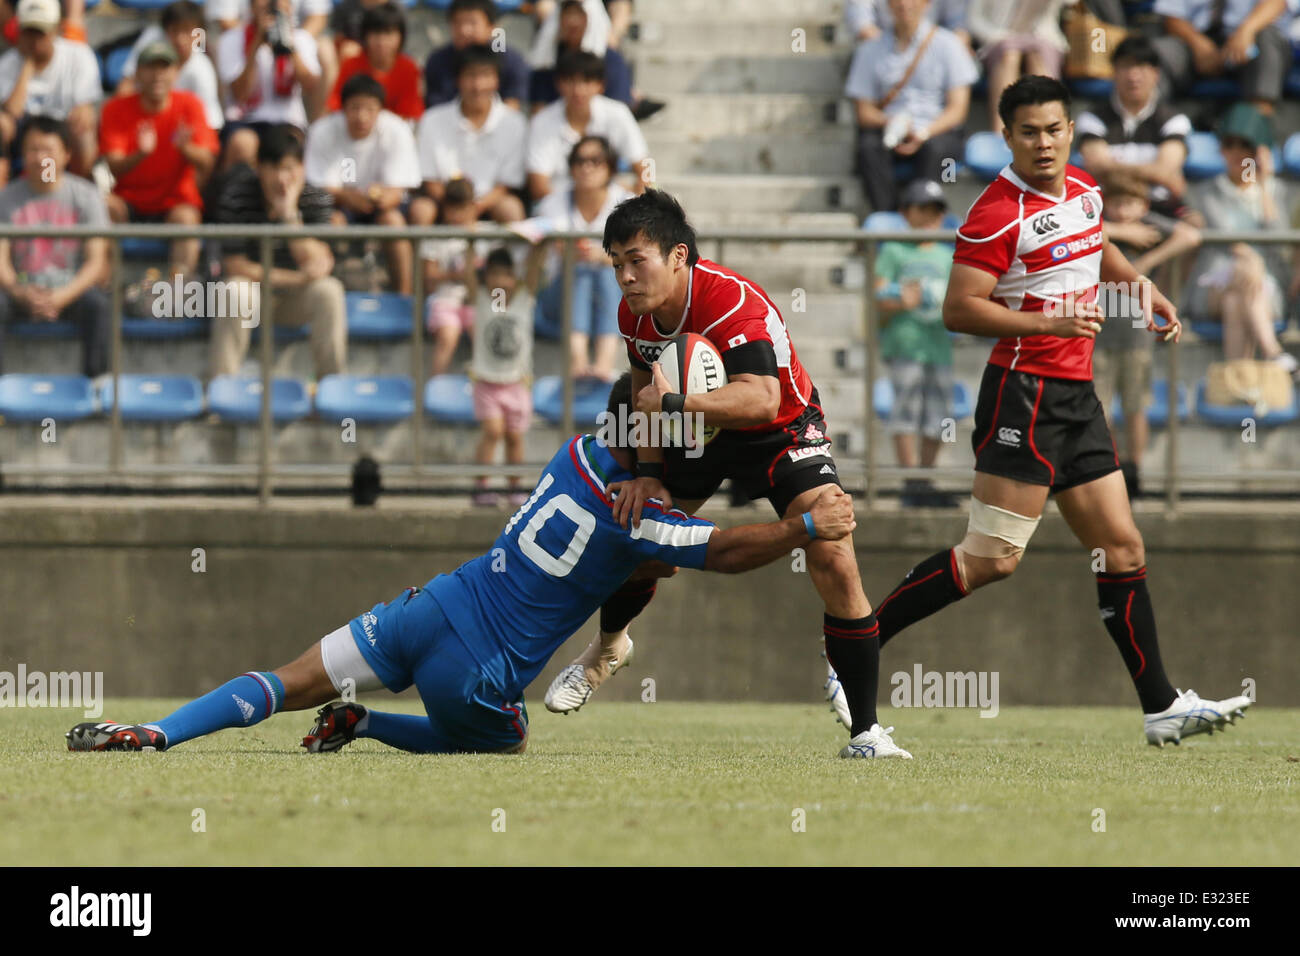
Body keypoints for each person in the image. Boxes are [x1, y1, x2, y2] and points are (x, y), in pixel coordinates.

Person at [64, 377, 859, 755]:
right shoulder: (640, 518)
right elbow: (717, 551)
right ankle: (370, 724)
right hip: (476, 671)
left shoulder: (575, 452)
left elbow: (654, 510)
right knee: (506, 743)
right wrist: (798, 529)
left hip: (429, 605)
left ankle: (156, 732)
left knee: (282, 680)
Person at [861, 75, 1251, 747]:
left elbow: (1094, 245)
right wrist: (1047, 322)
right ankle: (854, 640)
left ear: (1071, 130)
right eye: (1029, 132)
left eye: (1054, 129)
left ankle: (1160, 707)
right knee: (992, 558)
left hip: (1076, 398)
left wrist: (1142, 287)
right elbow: (960, 308)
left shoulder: (1082, 190)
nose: (1043, 142)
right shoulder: (994, 212)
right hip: (1023, 395)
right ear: (1007, 136)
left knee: (1122, 546)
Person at [544, 189, 909, 760]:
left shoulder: (730, 301)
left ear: (678, 257)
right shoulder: (632, 313)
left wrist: (673, 408)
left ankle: (866, 731)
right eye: (616, 264)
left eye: (636, 260)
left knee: (833, 549)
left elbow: (761, 400)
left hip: (779, 429)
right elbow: (643, 393)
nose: (625, 277)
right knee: (640, 537)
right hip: (697, 429)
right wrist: (648, 474)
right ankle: (607, 650)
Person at [209, 123, 346, 381]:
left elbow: (319, 263)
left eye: (289, 169)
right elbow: (236, 266)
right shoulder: (236, 196)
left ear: (302, 170)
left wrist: (289, 217)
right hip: (254, 296)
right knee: (234, 290)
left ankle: (332, 388)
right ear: (258, 168)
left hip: (296, 299)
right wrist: (299, 278)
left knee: (330, 291)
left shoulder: (317, 198)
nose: (282, 179)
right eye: (273, 168)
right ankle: (222, 387)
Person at [1096, 168, 1202, 495]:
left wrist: (1148, 260)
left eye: (1131, 203)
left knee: (1134, 405)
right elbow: (1074, 229)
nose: (1124, 210)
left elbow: (1191, 235)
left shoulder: (1150, 228)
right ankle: (1106, 467)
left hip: (1136, 333)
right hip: (1098, 331)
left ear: (1143, 205)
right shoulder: (1098, 228)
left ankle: (1133, 468)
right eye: (1116, 203)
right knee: (1099, 407)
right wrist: (1116, 231)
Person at [1184, 102, 1299, 373]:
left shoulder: (1279, 192)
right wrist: (1250, 258)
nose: (1237, 153)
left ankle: (1239, 383)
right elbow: (1223, 237)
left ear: (1259, 152)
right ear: (1221, 150)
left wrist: (1264, 186)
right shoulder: (1203, 192)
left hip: (1259, 290)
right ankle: (1272, 352)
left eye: (1245, 145)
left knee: (1236, 301)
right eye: (1229, 145)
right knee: (1245, 269)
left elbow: (1279, 240)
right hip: (1213, 283)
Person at [100, 41, 219, 284]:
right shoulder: (115, 108)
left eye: (164, 68)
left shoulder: (190, 105)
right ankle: (107, 291)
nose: (157, 75)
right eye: (149, 68)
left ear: (175, 73)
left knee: (187, 219)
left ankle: (176, 297)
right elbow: (113, 165)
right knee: (102, 207)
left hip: (174, 203)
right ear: (137, 74)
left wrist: (187, 149)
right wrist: (140, 154)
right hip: (129, 201)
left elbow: (208, 162)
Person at [844, 0, 978, 212]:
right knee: (868, 148)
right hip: (889, 127)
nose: (905, 4)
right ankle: (887, 217)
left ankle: (922, 214)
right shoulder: (870, 50)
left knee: (937, 149)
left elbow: (957, 110)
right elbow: (864, 111)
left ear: (927, 3)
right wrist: (893, 123)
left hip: (936, 129)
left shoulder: (949, 45)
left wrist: (923, 132)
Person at [0, 115, 108, 378]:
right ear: (22, 154)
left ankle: (97, 384)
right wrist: (20, 292)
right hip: (21, 289)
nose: (40, 158)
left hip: (70, 290)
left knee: (99, 305)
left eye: (48, 150)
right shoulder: (6, 199)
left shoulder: (86, 196)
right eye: (32, 149)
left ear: (66, 154)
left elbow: (96, 262)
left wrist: (62, 295)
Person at [873, 178, 956, 507]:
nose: (931, 216)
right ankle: (910, 479)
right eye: (923, 208)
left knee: (938, 411)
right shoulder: (894, 249)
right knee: (905, 409)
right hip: (905, 343)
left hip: (938, 345)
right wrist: (901, 299)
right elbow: (879, 294)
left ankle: (925, 477)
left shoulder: (947, 252)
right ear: (906, 212)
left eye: (936, 209)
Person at [305, 73, 420, 293]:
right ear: (343, 107)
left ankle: (405, 299)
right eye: (355, 108)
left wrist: (379, 199)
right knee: (331, 221)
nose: (362, 116)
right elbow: (318, 184)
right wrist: (348, 197)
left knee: (393, 222)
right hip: (338, 206)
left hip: (383, 208)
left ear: (380, 110)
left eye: (369, 109)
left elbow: (398, 189)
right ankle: (329, 293)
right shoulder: (323, 130)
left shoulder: (397, 130)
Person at [532, 135, 632, 381]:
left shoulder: (628, 205)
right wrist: (560, 252)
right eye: (580, 160)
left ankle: (599, 363)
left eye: (595, 161)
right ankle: (584, 362)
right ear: (571, 167)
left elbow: (640, 262)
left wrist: (603, 257)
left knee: (599, 269)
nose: (586, 167)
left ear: (609, 166)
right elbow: (537, 265)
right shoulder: (551, 204)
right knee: (582, 271)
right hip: (557, 298)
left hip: (615, 294)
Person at [1074, 36, 1195, 222]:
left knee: (1192, 230)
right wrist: (1155, 173)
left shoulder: (1174, 120)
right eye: (1125, 66)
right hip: (1106, 213)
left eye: (1141, 66)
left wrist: (1113, 170)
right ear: (1114, 71)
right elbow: (1097, 166)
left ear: (1156, 73)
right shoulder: (1092, 118)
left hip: (1158, 211)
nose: (1133, 76)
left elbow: (1164, 170)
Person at [412, 44, 527, 227]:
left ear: (497, 80)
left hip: (490, 206)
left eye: (485, 75)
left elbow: (504, 185)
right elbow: (430, 180)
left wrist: (475, 207)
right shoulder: (432, 119)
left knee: (511, 208)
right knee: (420, 209)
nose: (477, 85)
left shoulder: (514, 122)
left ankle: (507, 257)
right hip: (444, 205)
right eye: (471, 75)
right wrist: (456, 206)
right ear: (458, 79)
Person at [525, 49, 648, 202]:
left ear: (600, 85)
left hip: (611, 207)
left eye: (587, 81)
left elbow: (645, 167)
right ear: (558, 84)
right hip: (557, 211)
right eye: (570, 81)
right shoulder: (541, 122)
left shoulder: (618, 114)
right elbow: (538, 187)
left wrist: (640, 201)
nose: (578, 90)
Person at [469, 247, 540, 508]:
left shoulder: (523, 300)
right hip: (487, 382)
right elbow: (468, 275)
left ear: (515, 277)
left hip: (517, 383)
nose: (500, 282)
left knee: (514, 437)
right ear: (485, 277)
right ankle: (481, 486)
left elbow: (534, 272)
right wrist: (470, 243)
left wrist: (538, 244)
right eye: (494, 275)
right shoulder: (480, 299)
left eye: (506, 275)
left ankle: (515, 488)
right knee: (492, 432)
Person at [216, 0, 322, 170]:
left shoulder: (302, 39)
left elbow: (311, 87)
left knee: (290, 147)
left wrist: (289, 45)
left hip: (288, 121)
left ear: (290, 8)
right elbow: (240, 94)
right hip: (245, 120)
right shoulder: (232, 39)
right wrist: (257, 42)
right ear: (251, 7)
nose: (273, 7)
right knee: (243, 144)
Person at [0, 0, 100, 179]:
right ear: (19, 32)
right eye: (29, 32)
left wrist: (82, 112)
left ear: (56, 30)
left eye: (41, 32)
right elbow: (11, 112)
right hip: (23, 134)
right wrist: (28, 66)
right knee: (1, 124)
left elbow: (85, 108)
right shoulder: (8, 64)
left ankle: (81, 185)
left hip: (64, 130)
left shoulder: (79, 56)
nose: (35, 40)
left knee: (84, 123)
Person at [1152, 0, 1293, 114]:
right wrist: (1196, 43)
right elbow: (1171, 15)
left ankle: (1255, 133)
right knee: (1157, 52)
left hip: (1249, 38)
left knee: (1266, 41)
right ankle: (1150, 126)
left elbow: (1277, 3)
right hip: (1195, 41)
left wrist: (1246, 30)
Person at [117, 1, 225, 133]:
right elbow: (125, 87)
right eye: (175, 30)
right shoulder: (151, 39)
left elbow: (210, 125)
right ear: (166, 31)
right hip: (144, 129)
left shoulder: (202, 69)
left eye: (187, 30)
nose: (180, 39)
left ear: (198, 34)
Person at [967, 0, 1072, 134]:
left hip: (1043, 40)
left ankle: (1046, 129)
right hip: (998, 40)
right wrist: (1000, 36)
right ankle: (1001, 132)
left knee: (1037, 57)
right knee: (1009, 55)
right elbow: (974, 21)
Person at [423, 177, 483, 377]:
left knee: (484, 332)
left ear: (473, 207)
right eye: (452, 208)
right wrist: (455, 275)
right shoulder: (435, 236)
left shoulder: (486, 235)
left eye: (463, 208)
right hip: (445, 300)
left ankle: (489, 386)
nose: (457, 215)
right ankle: (433, 387)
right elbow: (429, 277)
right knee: (448, 336)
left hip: (478, 302)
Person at [326, 2, 423, 123]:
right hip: (354, 129)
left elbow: (410, 114)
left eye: (388, 33)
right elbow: (335, 106)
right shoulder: (351, 64)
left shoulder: (408, 68)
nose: (382, 42)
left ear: (401, 36)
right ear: (365, 36)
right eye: (376, 34)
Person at [424, 0, 530, 111]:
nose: (464, 30)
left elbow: (512, 108)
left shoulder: (510, 61)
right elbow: (436, 109)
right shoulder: (437, 61)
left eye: (472, 23)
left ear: (491, 27)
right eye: (458, 23)